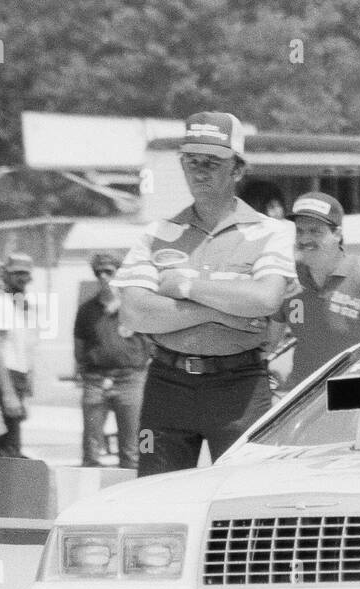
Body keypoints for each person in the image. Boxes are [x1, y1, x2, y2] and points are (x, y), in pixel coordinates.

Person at [116, 111, 295, 476]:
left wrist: (184, 287)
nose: (200, 172)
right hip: (167, 385)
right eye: (192, 162)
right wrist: (226, 311)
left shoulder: (272, 232)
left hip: (240, 387)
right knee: (156, 499)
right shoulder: (157, 233)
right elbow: (133, 313)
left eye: (213, 162)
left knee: (244, 506)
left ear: (238, 169)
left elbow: (265, 300)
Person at [276, 192, 360, 388]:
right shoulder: (289, 278)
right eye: (300, 231)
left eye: (315, 231)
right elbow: (269, 339)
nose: (304, 239)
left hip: (354, 400)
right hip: (301, 402)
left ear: (337, 234)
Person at [73, 252, 149, 468]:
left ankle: (140, 471)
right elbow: (79, 345)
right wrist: (84, 372)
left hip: (131, 378)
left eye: (109, 271)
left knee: (138, 436)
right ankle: (90, 480)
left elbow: (151, 341)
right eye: (99, 272)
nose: (104, 277)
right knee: (91, 439)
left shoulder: (134, 305)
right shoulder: (87, 310)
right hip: (96, 379)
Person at [0, 252, 39, 457]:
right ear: (5, 275)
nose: (22, 278)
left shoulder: (20, 305)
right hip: (4, 379)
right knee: (5, 452)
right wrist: (9, 394)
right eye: (16, 273)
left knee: (9, 449)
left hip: (15, 379)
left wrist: (26, 388)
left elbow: (25, 350)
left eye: (25, 274)